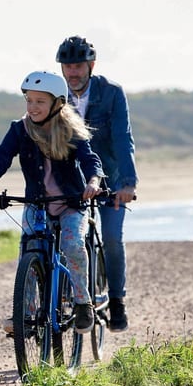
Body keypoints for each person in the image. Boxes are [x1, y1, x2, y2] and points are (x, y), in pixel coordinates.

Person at [0, 71, 103, 333]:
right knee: (28, 252)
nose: (32, 107)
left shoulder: (71, 130)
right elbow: (1, 157)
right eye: (29, 101)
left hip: (71, 202)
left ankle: (82, 302)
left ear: (58, 104)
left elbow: (90, 160)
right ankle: (26, 315)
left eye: (40, 102)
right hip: (36, 203)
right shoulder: (19, 129)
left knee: (73, 244)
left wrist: (93, 182)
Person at [57, 35, 138, 331]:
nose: (72, 72)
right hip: (69, 182)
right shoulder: (55, 93)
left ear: (91, 65)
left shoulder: (112, 92)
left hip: (110, 179)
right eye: (67, 67)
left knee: (113, 239)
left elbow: (122, 138)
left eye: (78, 66)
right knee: (62, 239)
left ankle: (117, 300)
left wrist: (128, 182)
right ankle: (67, 295)